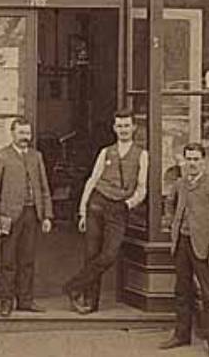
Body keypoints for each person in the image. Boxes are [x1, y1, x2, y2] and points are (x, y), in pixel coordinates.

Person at [62, 108, 148, 314]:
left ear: (134, 128)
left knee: (109, 254)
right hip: (97, 203)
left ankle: (73, 286)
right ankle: (90, 301)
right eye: (119, 126)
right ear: (114, 128)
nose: (123, 129)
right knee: (91, 254)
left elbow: (142, 187)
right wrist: (83, 211)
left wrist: (129, 204)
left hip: (119, 208)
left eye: (127, 126)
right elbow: (92, 180)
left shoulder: (142, 155)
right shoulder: (106, 152)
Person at [159, 143, 209, 357]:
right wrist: (171, 222)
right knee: (182, 291)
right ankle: (181, 335)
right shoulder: (180, 184)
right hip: (181, 243)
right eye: (189, 159)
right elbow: (169, 203)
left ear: (203, 161)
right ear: (184, 161)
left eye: (196, 159)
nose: (192, 163)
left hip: (204, 247)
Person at [0, 117, 53, 316]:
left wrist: (47, 215)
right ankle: (6, 301)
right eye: (21, 133)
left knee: (27, 260)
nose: (25, 137)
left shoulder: (36, 156)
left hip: (32, 213)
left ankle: (25, 300)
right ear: (12, 134)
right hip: (9, 216)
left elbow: (44, 187)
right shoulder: (1, 156)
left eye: (28, 133)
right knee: (8, 261)